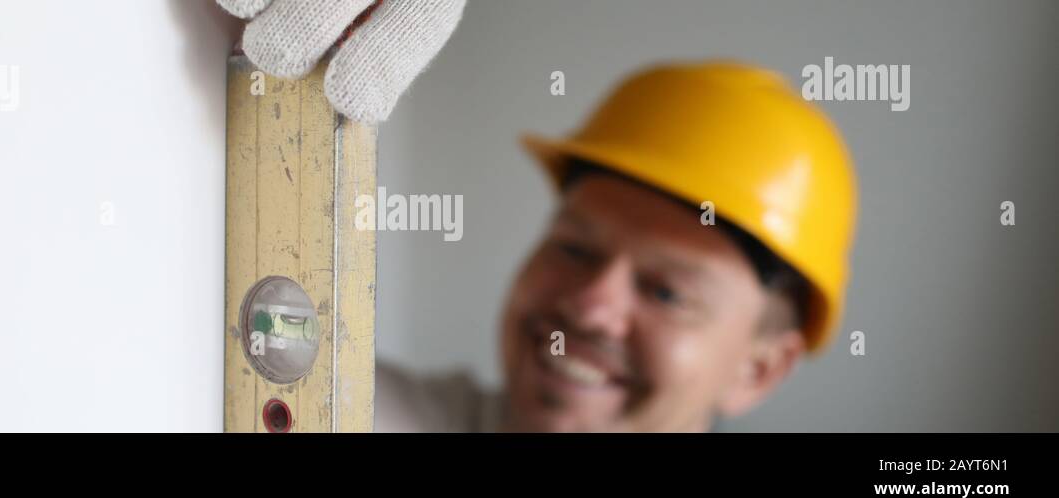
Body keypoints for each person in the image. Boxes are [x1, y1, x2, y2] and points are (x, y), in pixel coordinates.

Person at [218, 0, 857, 432]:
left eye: (666, 290)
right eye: (576, 249)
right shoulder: (356, 410)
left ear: (758, 370)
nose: (589, 306)